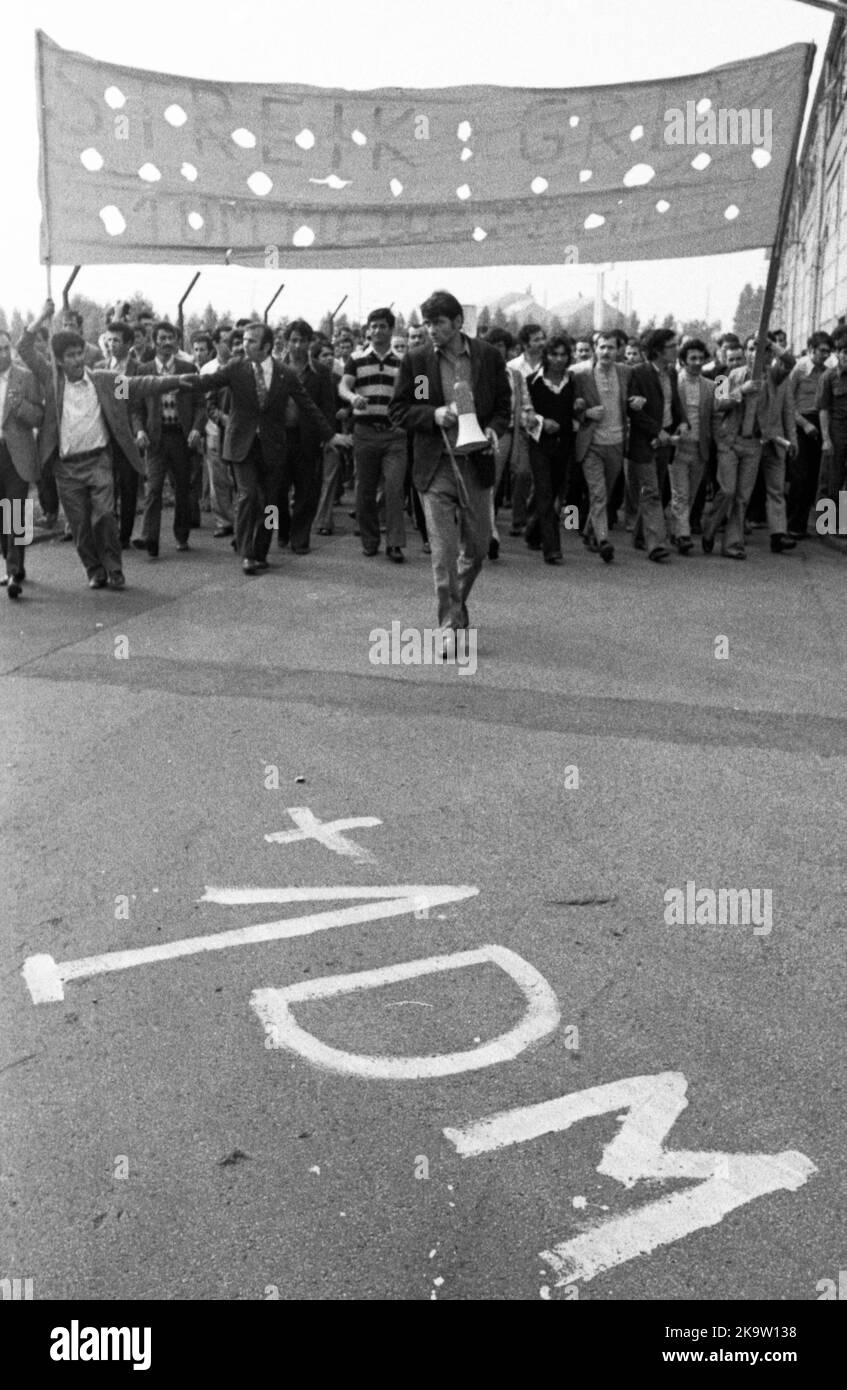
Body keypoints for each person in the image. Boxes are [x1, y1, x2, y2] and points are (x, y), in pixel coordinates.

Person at [18, 299, 196, 590]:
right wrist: (42, 316)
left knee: (104, 517)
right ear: (60, 361)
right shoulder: (53, 382)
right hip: (66, 467)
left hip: (99, 460)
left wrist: (176, 380)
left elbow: (142, 384)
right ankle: (93, 569)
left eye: (79, 353)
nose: (77, 360)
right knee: (79, 525)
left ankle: (114, 568)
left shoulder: (105, 381)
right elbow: (25, 348)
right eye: (70, 356)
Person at [389, 289, 510, 636]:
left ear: (458, 322)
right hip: (436, 466)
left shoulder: (487, 357)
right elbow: (399, 410)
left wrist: (493, 430)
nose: (431, 329)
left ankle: (456, 605)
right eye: (426, 323)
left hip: (476, 463)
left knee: (478, 547)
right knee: (442, 553)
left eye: (438, 322)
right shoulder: (418, 361)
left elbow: (504, 406)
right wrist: (433, 413)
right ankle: (449, 627)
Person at [191, 322, 348, 575]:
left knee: (271, 502)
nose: (245, 344)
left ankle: (261, 550)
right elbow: (205, 382)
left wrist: (330, 435)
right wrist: (170, 382)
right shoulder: (235, 368)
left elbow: (308, 405)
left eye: (251, 341)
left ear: (266, 346)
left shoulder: (285, 373)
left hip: (273, 447)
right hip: (241, 445)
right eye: (243, 340)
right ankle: (246, 552)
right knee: (248, 495)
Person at [703, 334, 797, 559]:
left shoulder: (773, 377)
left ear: (768, 354)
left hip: (754, 444)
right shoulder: (727, 374)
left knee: (742, 497)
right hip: (730, 442)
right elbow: (717, 404)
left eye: (762, 350)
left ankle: (733, 544)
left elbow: (790, 363)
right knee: (727, 490)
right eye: (752, 349)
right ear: (746, 353)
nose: (756, 354)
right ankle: (709, 528)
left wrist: (771, 344)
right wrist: (740, 392)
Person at [131, 321, 204, 558]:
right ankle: (149, 539)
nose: (166, 342)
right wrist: (139, 431)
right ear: (154, 342)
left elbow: (200, 405)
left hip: (181, 437)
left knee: (182, 487)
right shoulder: (144, 370)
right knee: (153, 488)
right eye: (161, 338)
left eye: (170, 338)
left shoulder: (188, 367)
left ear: (176, 342)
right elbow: (135, 408)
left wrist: (196, 429)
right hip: (155, 438)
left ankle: (181, 534)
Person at [340, 307, 407, 561]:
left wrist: (414, 410)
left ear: (391, 330)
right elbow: (344, 385)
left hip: (394, 434)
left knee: (393, 487)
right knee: (364, 489)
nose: (377, 331)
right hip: (365, 432)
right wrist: (352, 396)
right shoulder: (356, 359)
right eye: (373, 326)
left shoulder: (405, 362)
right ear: (368, 330)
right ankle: (369, 540)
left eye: (382, 326)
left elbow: (420, 392)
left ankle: (395, 543)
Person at [276, 319, 340, 553]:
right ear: (286, 342)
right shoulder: (276, 368)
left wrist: (328, 437)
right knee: (277, 492)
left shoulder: (321, 372)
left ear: (309, 342)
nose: (297, 345)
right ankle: (280, 529)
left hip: (308, 440)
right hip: (280, 439)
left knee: (307, 492)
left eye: (302, 340)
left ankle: (300, 537)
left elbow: (327, 407)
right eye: (293, 340)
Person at [626, 328, 684, 563]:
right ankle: (655, 544)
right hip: (644, 441)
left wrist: (683, 423)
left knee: (654, 489)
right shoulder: (638, 373)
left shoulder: (670, 374)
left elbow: (674, 404)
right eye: (672, 346)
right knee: (650, 493)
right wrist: (656, 431)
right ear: (659, 350)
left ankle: (597, 532)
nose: (677, 349)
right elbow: (634, 412)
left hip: (666, 441)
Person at [572, 330, 630, 563]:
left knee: (603, 493)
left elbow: (634, 395)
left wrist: (636, 402)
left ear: (619, 350)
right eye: (602, 347)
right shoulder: (581, 375)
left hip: (616, 443)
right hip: (591, 444)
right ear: (594, 349)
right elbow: (568, 405)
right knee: (596, 493)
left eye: (611, 347)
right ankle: (602, 539)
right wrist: (585, 412)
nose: (606, 351)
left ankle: (588, 531)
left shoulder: (626, 373)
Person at [526, 336, 577, 564]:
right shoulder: (531, 382)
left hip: (564, 444)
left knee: (555, 491)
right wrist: (541, 422)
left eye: (562, 355)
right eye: (553, 354)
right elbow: (523, 413)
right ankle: (552, 548)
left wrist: (581, 409)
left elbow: (578, 413)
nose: (558, 359)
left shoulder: (573, 382)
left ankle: (533, 531)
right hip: (539, 444)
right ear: (546, 356)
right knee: (545, 492)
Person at [0, 329, 43, 599]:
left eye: (6, 348)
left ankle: (14, 571)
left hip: (17, 453)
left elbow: (39, 416)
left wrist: (20, 408)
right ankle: (12, 562)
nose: (3, 354)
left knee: (15, 510)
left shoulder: (25, 377)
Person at [94, 320, 142, 550]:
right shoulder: (100, 366)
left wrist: (137, 431)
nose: (112, 344)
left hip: (126, 436)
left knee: (128, 484)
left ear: (129, 344)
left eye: (117, 340)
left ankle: (124, 535)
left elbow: (131, 404)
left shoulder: (135, 369)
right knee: (106, 484)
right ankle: (108, 530)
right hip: (103, 436)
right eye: (109, 339)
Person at [671, 339, 716, 553]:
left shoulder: (710, 385)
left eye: (701, 358)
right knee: (680, 493)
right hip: (678, 447)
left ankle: (677, 529)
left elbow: (718, 412)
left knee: (689, 494)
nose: (697, 363)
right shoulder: (674, 383)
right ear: (683, 360)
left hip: (700, 448)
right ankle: (683, 535)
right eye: (692, 358)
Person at [787, 331, 832, 536]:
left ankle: (801, 525)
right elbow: (787, 403)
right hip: (800, 424)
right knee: (799, 476)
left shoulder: (828, 373)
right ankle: (791, 524)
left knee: (813, 478)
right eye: (822, 350)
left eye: (828, 351)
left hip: (820, 424)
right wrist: (804, 424)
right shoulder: (799, 370)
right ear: (812, 349)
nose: (825, 355)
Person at [818, 328, 847, 505]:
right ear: (837, 353)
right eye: (845, 352)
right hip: (836, 432)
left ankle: (842, 524)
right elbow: (823, 409)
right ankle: (825, 525)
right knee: (830, 479)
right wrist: (826, 438)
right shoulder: (828, 377)